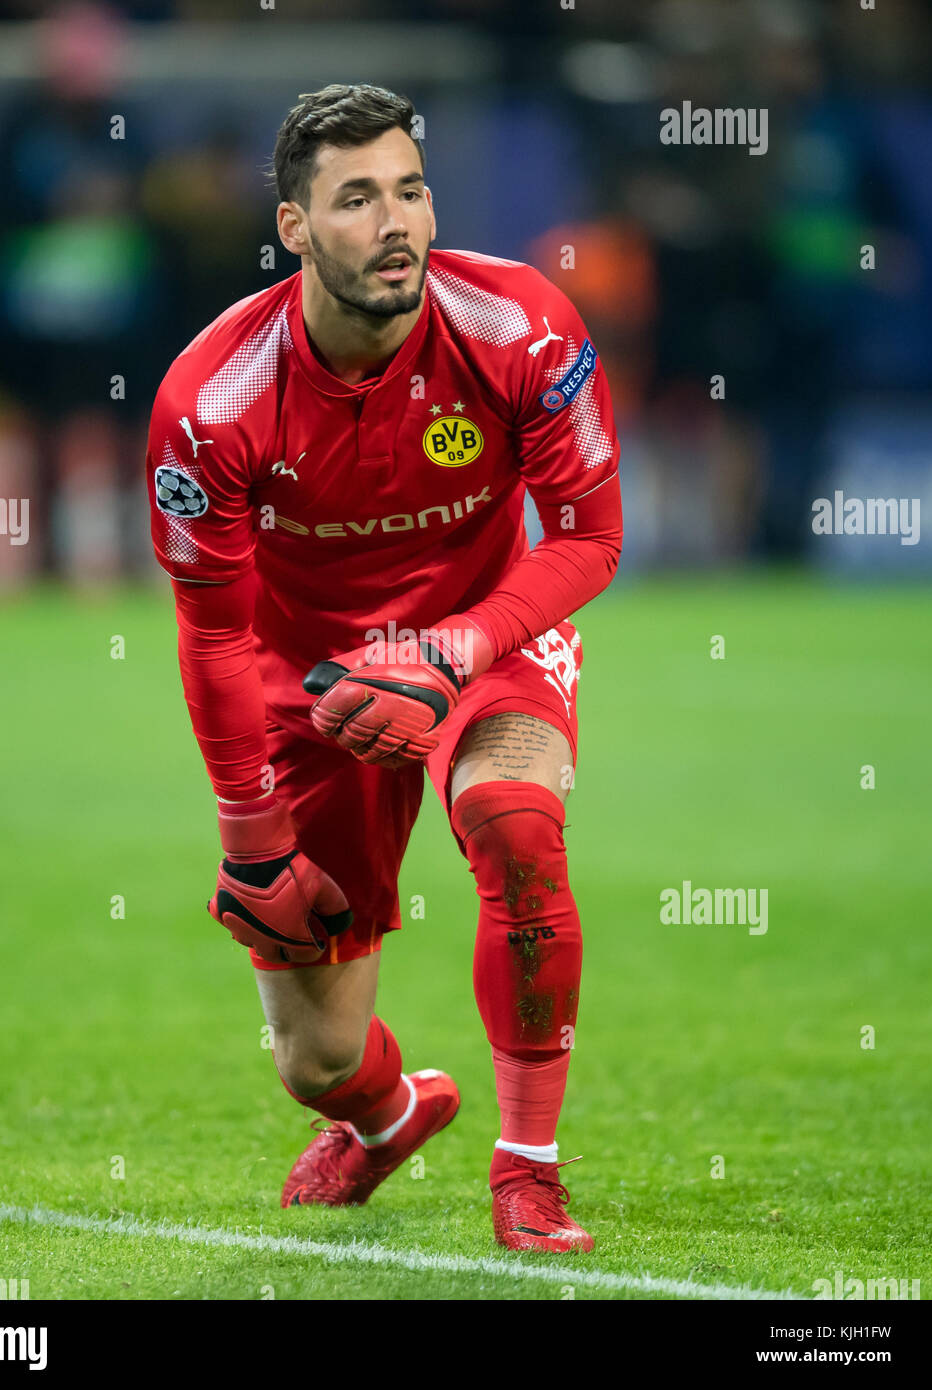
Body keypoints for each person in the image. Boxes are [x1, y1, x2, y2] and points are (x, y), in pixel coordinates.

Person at [145, 84, 622, 1252]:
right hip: (312, 691)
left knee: (516, 825)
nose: (396, 220)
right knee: (316, 1060)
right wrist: (251, 835)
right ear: (294, 227)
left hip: (481, 641)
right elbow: (211, 630)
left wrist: (453, 648)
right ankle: (388, 1115)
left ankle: (529, 1172)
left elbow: (588, 538)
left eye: (409, 188)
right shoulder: (210, 402)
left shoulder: (522, 325)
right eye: (355, 199)